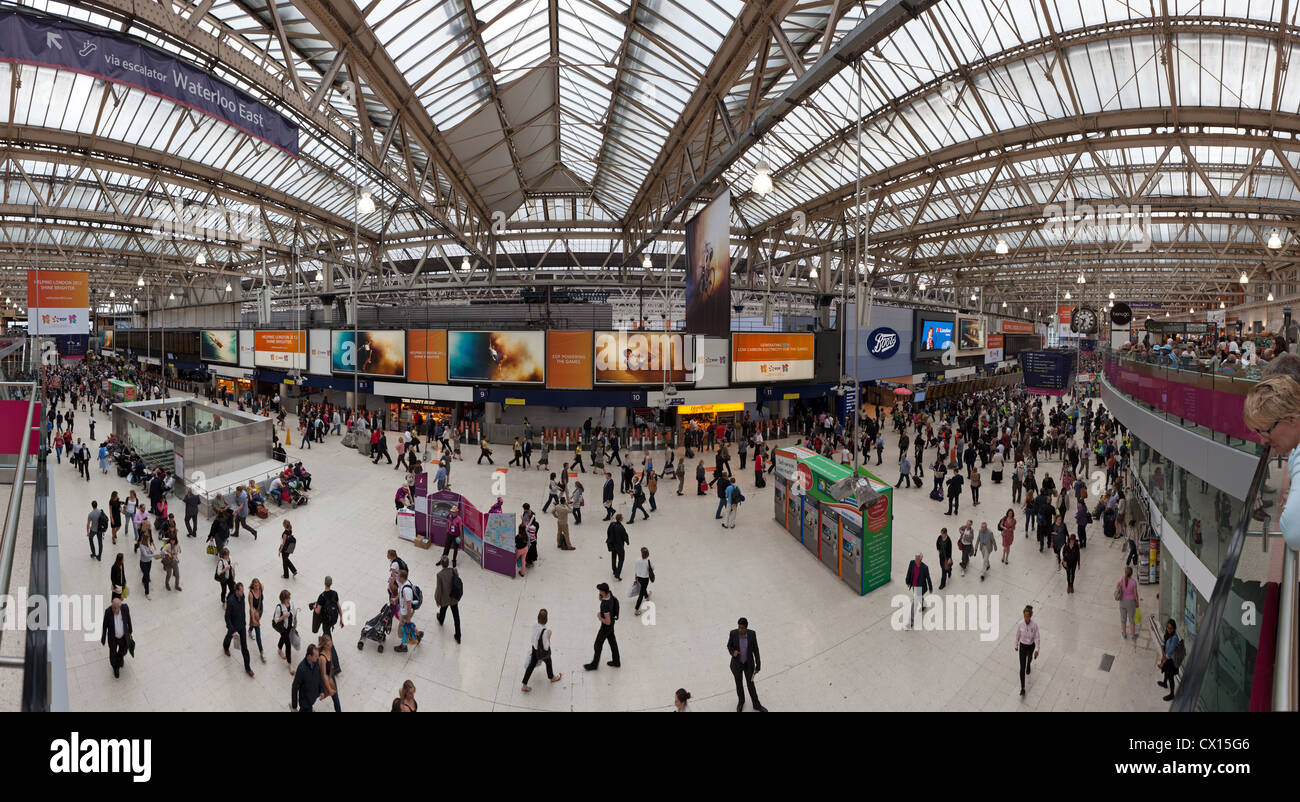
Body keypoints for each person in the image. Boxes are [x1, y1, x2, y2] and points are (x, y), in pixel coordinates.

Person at [727, 617, 765, 712]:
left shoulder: (752, 634)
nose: (740, 630)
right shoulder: (733, 633)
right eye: (739, 627)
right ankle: (741, 702)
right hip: (737, 665)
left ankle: (756, 704)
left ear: (746, 628)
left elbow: (756, 650)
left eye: (742, 628)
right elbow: (729, 645)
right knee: (739, 684)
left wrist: (758, 665)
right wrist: (733, 652)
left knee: (751, 684)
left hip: (748, 665)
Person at [521, 608, 562, 692]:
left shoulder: (535, 624)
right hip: (541, 652)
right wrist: (549, 636)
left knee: (531, 665)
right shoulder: (545, 631)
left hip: (534, 647)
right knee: (548, 662)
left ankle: (524, 685)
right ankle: (552, 677)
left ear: (538, 617)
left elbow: (534, 637)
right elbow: (546, 647)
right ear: (546, 619)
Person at [583, 583, 620, 670]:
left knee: (597, 644)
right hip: (612, 622)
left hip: (606, 627)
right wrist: (601, 597)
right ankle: (616, 661)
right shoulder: (610, 593)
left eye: (600, 590)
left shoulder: (605, 605)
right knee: (612, 642)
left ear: (603, 591)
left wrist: (600, 617)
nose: (599, 592)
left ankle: (594, 665)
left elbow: (607, 622)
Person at [223, 582, 255, 677]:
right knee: (229, 637)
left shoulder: (243, 596)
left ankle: (247, 668)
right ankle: (225, 647)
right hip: (233, 627)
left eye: (243, 590)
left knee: (244, 647)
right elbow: (227, 617)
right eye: (241, 591)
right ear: (236, 591)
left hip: (242, 625)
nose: (243, 592)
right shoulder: (231, 601)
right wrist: (232, 630)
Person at [99, 595, 133, 679]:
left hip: (123, 636)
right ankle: (115, 667)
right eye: (112, 607)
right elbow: (104, 625)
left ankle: (120, 658)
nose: (113, 609)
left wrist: (130, 630)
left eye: (115, 608)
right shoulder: (108, 612)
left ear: (120, 607)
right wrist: (103, 637)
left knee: (123, 650)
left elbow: (128, 619)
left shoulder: (125, 608)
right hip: (113, 637)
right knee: (112, 654)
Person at [434, 556, 462, 644]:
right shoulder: (454, 571)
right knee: (456, 617)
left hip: (445, 598)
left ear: (441, 564)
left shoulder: (439, 575)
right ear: (448, 563)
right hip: (453, 597)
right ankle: (458, 636)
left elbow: (439, 589)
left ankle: (441, 620)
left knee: (443, 609)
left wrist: (437, 600)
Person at [290, 644, 325, 712]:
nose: (318, 658)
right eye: (316, 656)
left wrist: (321, 691)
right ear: (309, 656)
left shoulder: (316, 662)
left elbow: (319, 676)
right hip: (305, 702)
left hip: (313, 696)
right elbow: (294, 687)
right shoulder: (301, 669)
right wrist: (294, 706)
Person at [1016, 605, 1040, 696]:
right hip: (1022, 646)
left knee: (1029, 659)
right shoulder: (1020, 624)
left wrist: (1037, 650)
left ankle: (1028, 664)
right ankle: (1022, 688)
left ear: (1030, 616)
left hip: (1030, 646)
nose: (1026, 618)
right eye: (1024, 616)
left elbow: (1037, 638)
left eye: (1027, 616)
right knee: (1022, 667)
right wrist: (1016, 644)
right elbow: (1017, 635)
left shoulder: (1034, 625)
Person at [904, 553, 932, 630]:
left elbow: (928, 578)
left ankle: (910, 622)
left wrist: (930, 587)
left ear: (921, 559)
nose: (915, 560)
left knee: (914, 605)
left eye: (917, 559)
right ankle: (923, 604)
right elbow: (909, 572)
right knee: (919, 598)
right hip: (914, 585)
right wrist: (907, 581)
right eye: (915, 558)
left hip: (920, 588)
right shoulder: (912, 563)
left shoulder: (924, 568)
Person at [317, 634, 342, 712]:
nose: (330, 646)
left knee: (336, 697)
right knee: (314, 695)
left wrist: (332, 667)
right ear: (324, 646)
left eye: (331, 644)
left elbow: (330, 661)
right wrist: (329, 689)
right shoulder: (322, 658)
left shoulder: (329, 649)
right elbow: (323, 675)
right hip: (322, 679)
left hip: (331, 675)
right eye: (328, 645)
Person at [274, 589, 296, 673]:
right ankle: (290, 664)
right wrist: (283, 616)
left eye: (289, 597)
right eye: (288, 597)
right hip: (283, 628)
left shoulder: (291, 603)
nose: (290, 598)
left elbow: (293, 612)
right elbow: (276, 620)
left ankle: (279, 649)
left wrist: (295, 623)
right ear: (283, 599)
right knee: (288, 645)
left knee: (283, 638)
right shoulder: (279, 607)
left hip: (290, 626)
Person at [1158, 619, 1180, 701]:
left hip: (1171, 661)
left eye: (1170, 628)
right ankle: (1164, 683)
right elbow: (1163, 642)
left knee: (1170, 677)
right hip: (1166, 658)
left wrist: (1162, 663)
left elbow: (1169, 653)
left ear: (1174, 628)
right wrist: (1163, 654)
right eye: (1167, 627)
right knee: (1166, 672)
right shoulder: (1167, 634)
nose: (1168, 629)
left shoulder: (1174, 638)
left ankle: (1172, 694)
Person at [1117, 566, 1140, 640]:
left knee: (1123, 619)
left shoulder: (1121, 579)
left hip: (1122, 602)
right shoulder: (1133, 582)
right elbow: (1135, 594)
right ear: (1131, 573)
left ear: (1125, 572)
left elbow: (1117, 587)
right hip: (1131, 603)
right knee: (1132, 619)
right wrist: (1137, 602)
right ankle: (1133, 636)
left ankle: (1124, 634)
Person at [247, 578, 266, 662]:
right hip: (254, 613)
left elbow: (263, 587)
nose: (257, 587)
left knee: (254, 626)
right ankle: (262, 652)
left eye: (258, 585)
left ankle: (250, 630)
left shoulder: (261, 587)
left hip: (260, 611)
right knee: (258, 632)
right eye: (255, 586)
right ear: (252, 585)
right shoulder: (250, 594)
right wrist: (253, 619)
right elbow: (251, 608)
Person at [606, 513, 629, 580]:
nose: (623, 518)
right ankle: (617, 574)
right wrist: (627, 541)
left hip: (612, 544)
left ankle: (614, 570)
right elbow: (625, 535)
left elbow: (608, 532)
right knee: (621, 559)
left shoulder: (612, 524)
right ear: (620, 519)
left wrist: (609, 539)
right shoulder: (621, 527)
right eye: (622, 517)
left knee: (613, 557)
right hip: (619, 546)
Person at [632, 547, 654, 615]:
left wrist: (636, 577)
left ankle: (647, 597)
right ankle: (636, 610)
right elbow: (652, 568)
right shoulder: (648, 561)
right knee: (641, 593)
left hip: (639, 577)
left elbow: (636, 569)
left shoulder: (637, 560)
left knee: (643, 588)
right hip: (645, 579)